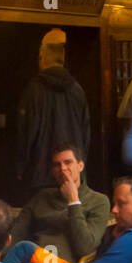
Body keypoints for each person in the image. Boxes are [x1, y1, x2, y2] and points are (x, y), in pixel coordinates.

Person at [16, 29, 91, 194]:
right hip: (72, 174)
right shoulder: (77, 90)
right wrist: (78, 166)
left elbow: (26, 134)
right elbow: (85, 135)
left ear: (42, 57)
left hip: (40, 173)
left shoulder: (33, 90)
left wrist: (21, 167)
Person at [10, 143, 111, 260]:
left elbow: (85, 247)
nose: (62, 168)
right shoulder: (42, 197)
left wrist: (73, 201)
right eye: (57, 165)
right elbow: (17, 232)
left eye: (68, 162)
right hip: (31, 260)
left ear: (80, 166)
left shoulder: (98, 201)